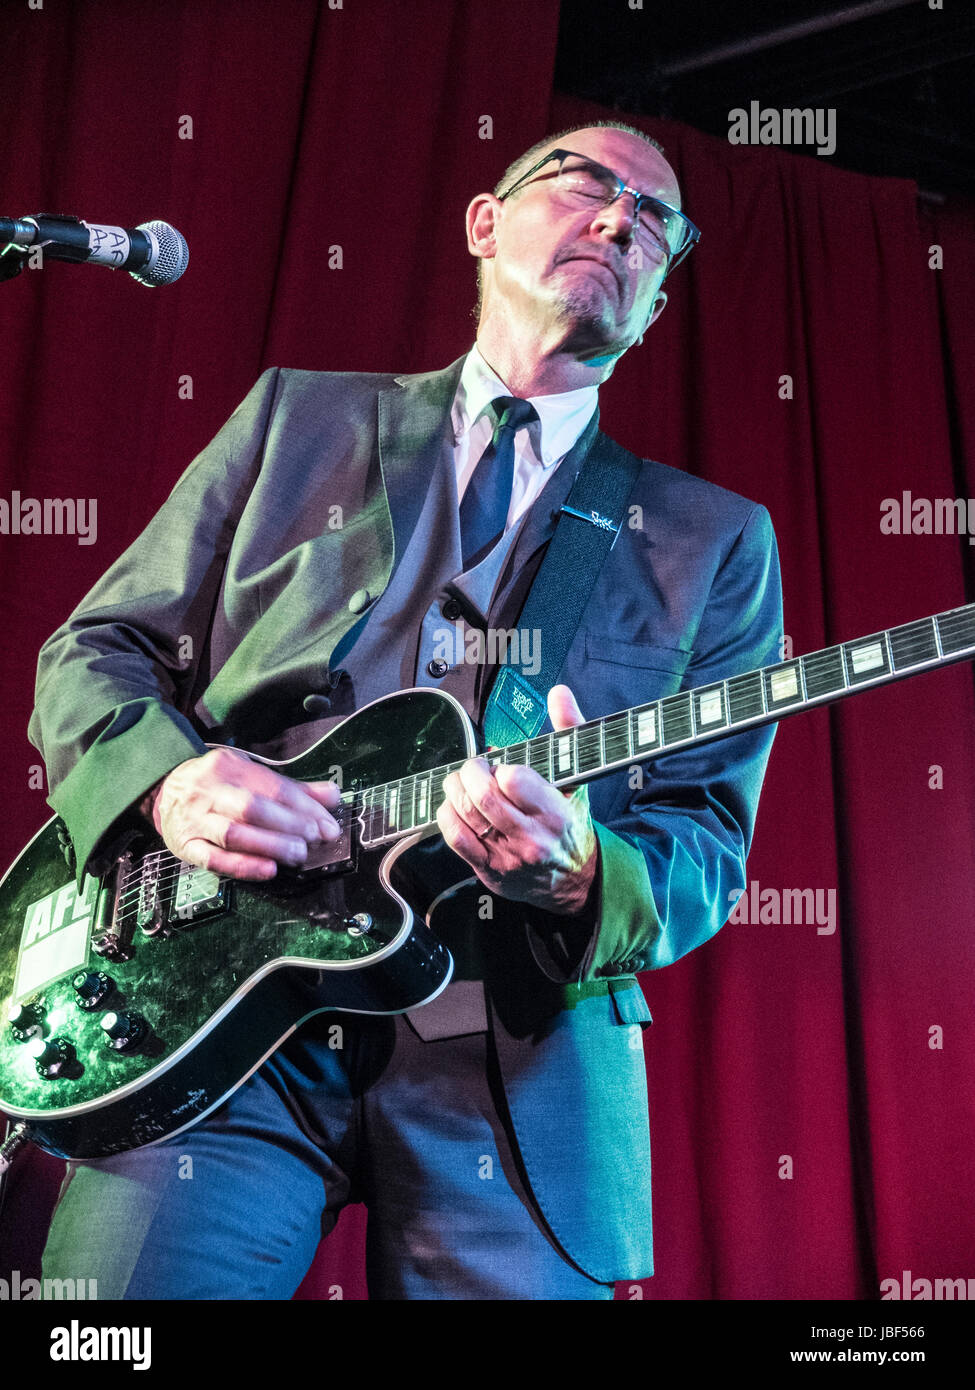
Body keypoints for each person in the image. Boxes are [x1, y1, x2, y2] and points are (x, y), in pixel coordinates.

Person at [31, 122, 783, 1300]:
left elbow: (705, 844)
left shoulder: (713, 540)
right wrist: (169, 782)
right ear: (484, 222)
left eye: (657, 221)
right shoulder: (296, 420)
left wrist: (588, 870)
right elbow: (97, 648)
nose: (620, 219)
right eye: (587, 183)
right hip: (207, 1002)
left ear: (656, 306)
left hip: (517, 1055)